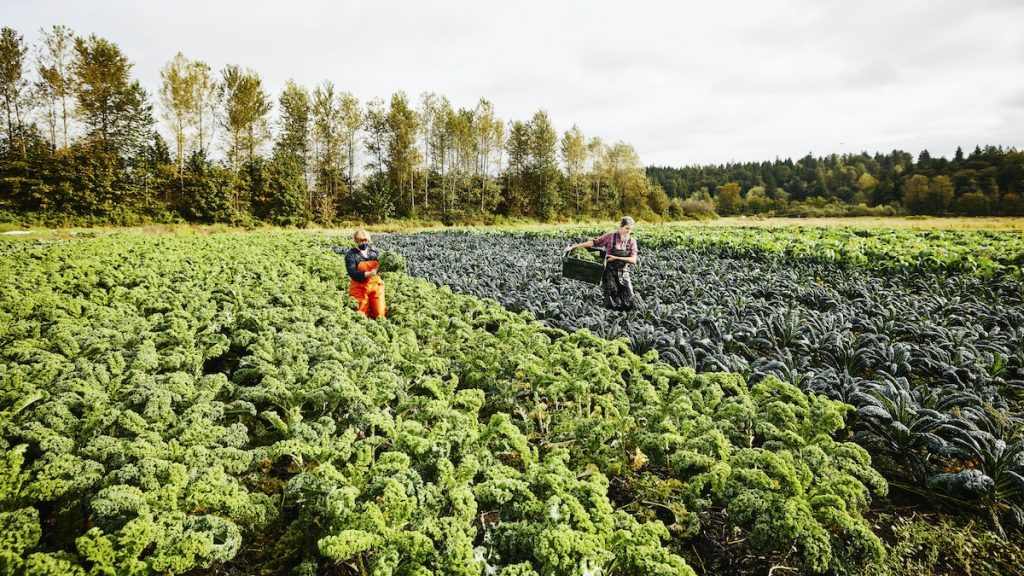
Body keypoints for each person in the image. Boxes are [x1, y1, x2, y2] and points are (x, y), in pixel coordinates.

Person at [564, 216, 638, 311]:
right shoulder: (610, 236)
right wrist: (574, 247)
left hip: (623, 273)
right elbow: (594, 243)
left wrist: (616, 258)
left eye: (630, 229)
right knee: (610, 297)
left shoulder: (632, 241)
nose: (628, 231)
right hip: (609, 273)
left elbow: (633, 260)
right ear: (620, 227)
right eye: (627, 228)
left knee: (629, 299)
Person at [344, 229, 386, 319]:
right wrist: (369, 273)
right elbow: (352, 273)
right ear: (356, 241)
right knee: (361, 315)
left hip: (376, 286)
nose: (364, 243)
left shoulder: (374, 252)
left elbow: (381, 265)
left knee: (380, 314)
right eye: (361, 241)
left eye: (366, 240)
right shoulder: (351, 255)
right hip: (360, 288)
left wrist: (382, 270)